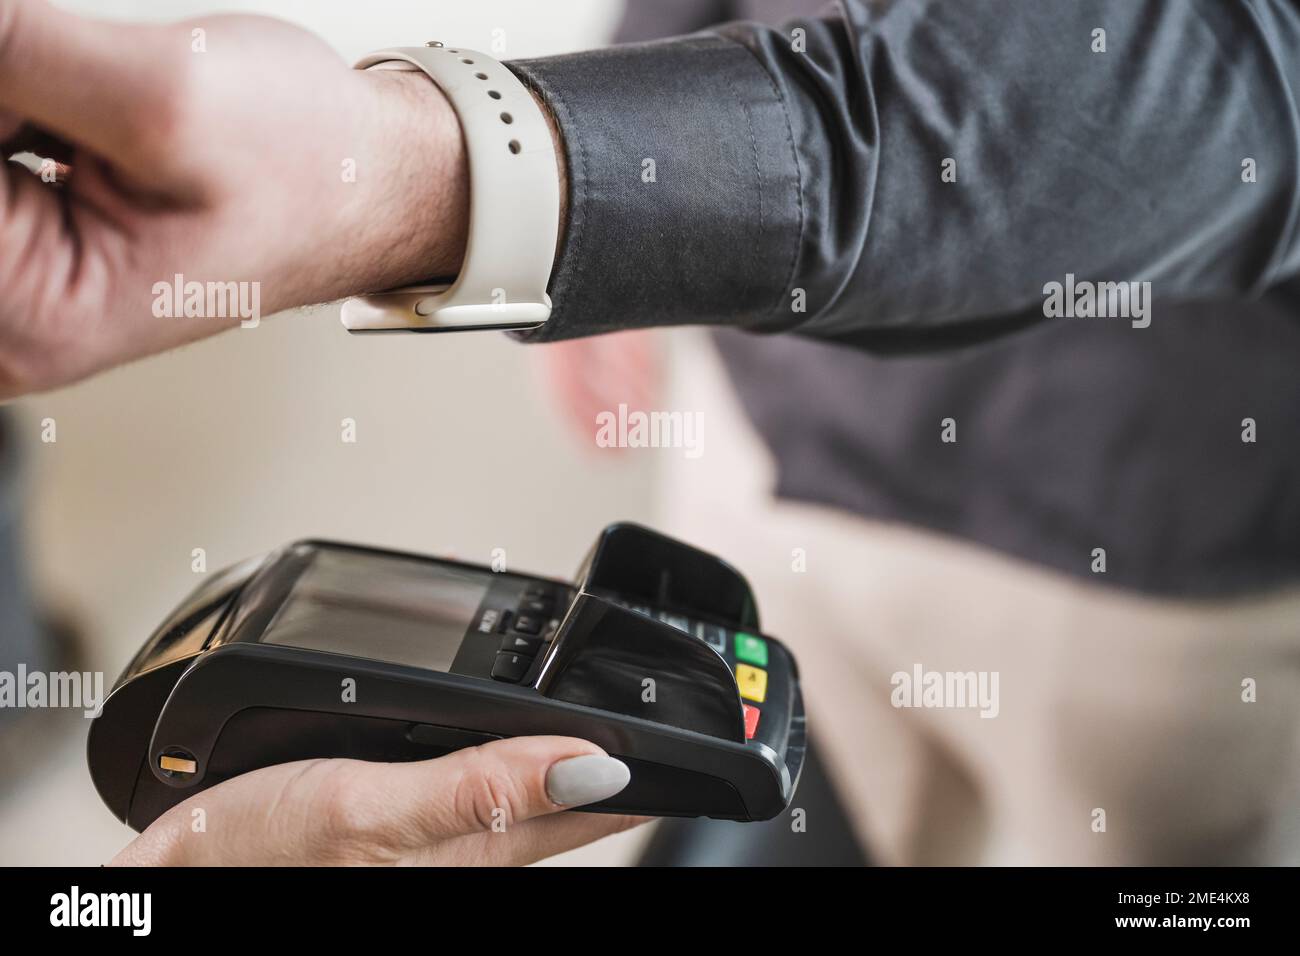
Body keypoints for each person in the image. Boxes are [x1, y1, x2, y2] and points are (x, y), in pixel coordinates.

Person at [3, 0, 1299, 864]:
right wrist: (643, 90)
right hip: (748, 410)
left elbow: (1239, 80)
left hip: (1133, 538)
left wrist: (479, 179)